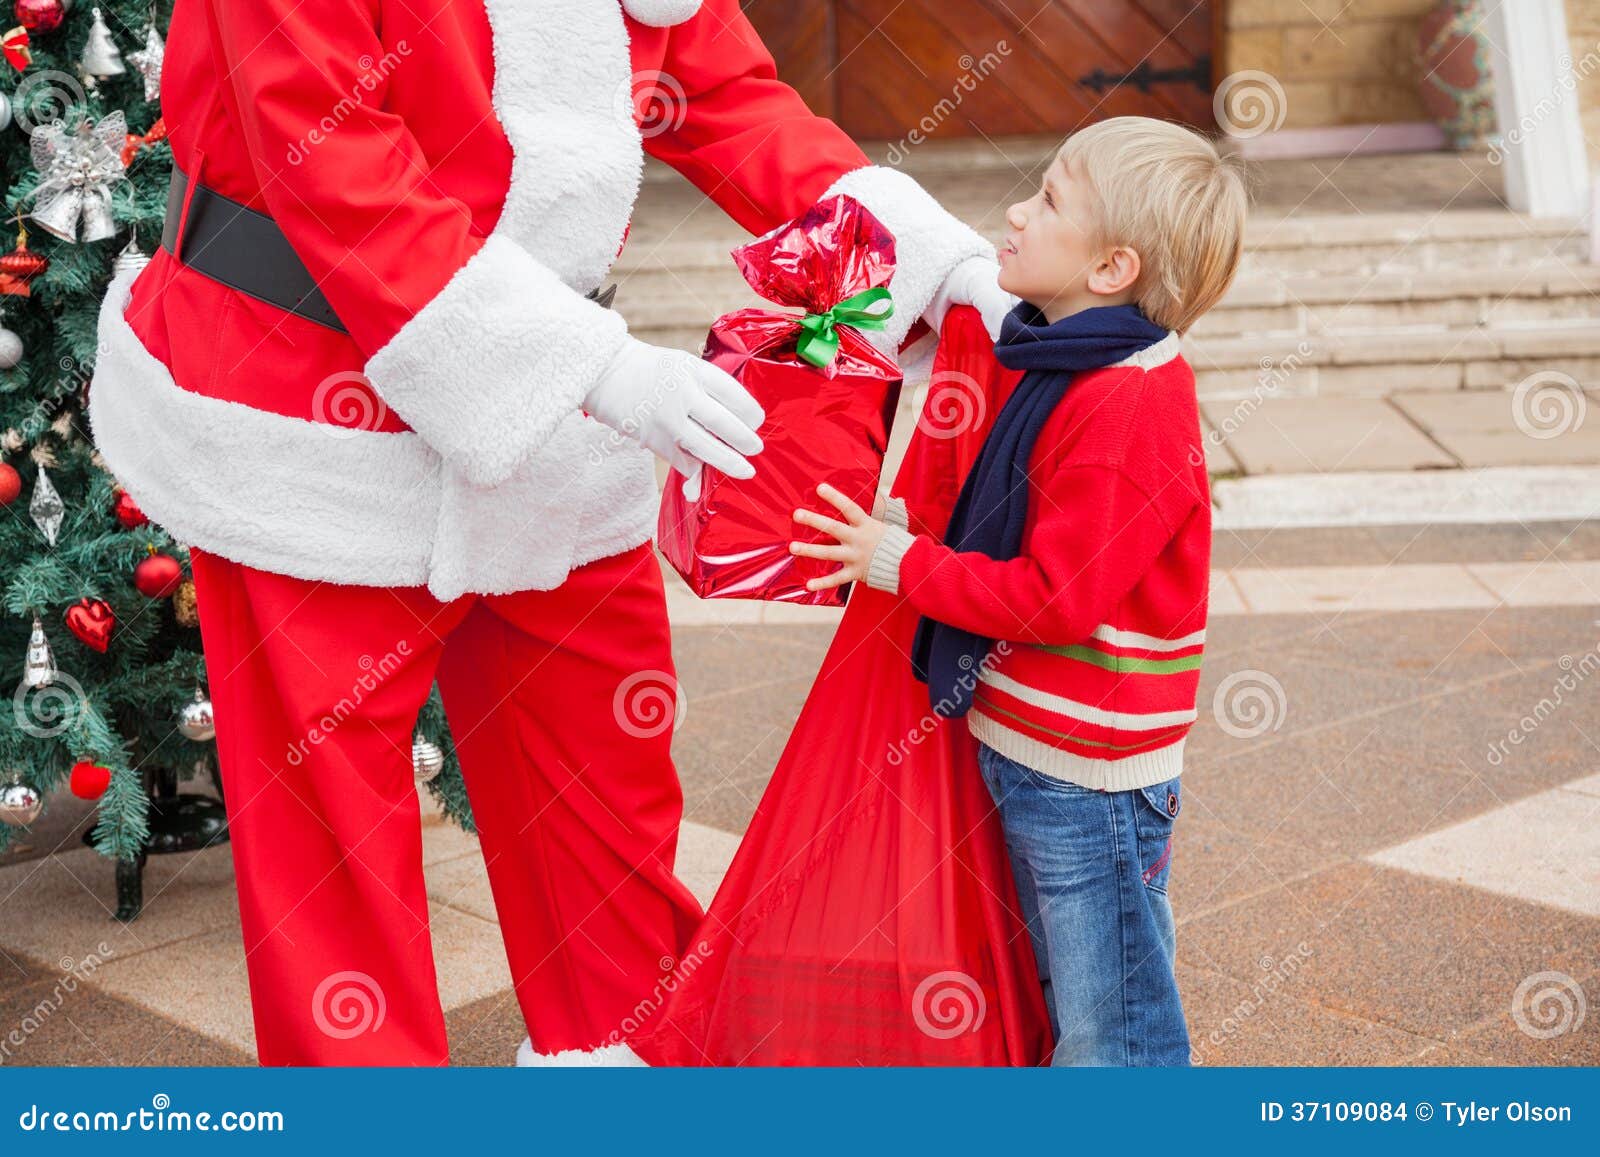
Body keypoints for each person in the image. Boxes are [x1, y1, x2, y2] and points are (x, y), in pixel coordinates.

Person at [88, 0, 1008, 1066]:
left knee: (601, 791)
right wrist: (596, 367)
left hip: (560, 408)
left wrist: (930, 260)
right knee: (329, 846)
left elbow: (729, 101)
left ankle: (624, 1076)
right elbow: (333, 162)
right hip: (306, 401)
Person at [794, 117, 1248, 1066]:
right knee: (1065, 987)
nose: (1015, 212)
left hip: (1088, 768)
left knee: (1112, 1020)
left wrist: (901, 562)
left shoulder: (1125, 401)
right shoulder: (1068, 356)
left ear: (1112, 267)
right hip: (1045, 745)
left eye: (1048, 201)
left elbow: (1054, 597)